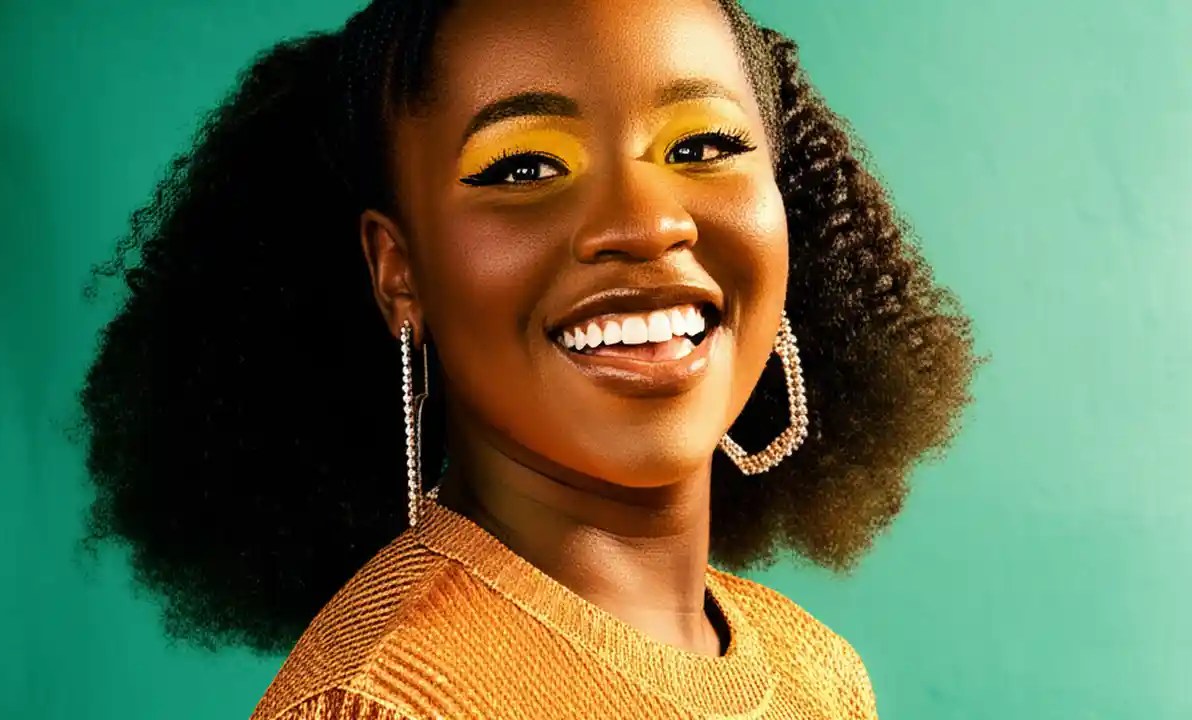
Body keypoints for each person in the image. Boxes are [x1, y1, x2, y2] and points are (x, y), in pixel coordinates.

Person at [76, 0, 978, 717]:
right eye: (524, 169)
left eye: (702, 147)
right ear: (401, 273)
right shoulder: (381, 705)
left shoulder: (818, 672)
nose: (647, 221)